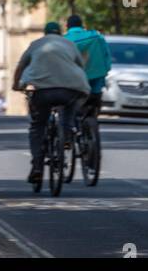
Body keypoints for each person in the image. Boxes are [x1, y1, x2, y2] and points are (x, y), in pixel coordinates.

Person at [13, 21, 91, 188]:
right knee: (69, 109)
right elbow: (80, 66)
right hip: (70, 88)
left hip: (43, 91)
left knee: (38, 125)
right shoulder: (69, 44)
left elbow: (21, 65)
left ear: (45, 33)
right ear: (61, 32)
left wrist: (16, 84)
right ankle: (67, 136)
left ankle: (37, 166)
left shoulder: (36, 44)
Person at [65, 13, 112, 115]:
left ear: (67, 26)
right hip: (94, 85)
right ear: (82, 25)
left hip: (73, 87)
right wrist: (104, 72)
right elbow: (106, 58)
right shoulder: (96, 37)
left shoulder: (63, 40)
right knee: (94, 107)